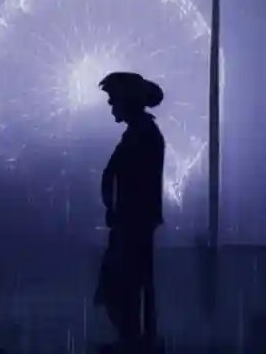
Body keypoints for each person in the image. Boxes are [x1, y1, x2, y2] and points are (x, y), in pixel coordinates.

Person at [94, 72, 166, 352]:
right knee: (129, 283)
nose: (111, 106)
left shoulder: (141, 136)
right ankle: (135, 339)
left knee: (124, 284)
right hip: (133, 221)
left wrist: (116, 207)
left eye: (113, 100)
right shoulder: (141, 134)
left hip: (132, 223)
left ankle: (133, 340)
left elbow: (125, 177)